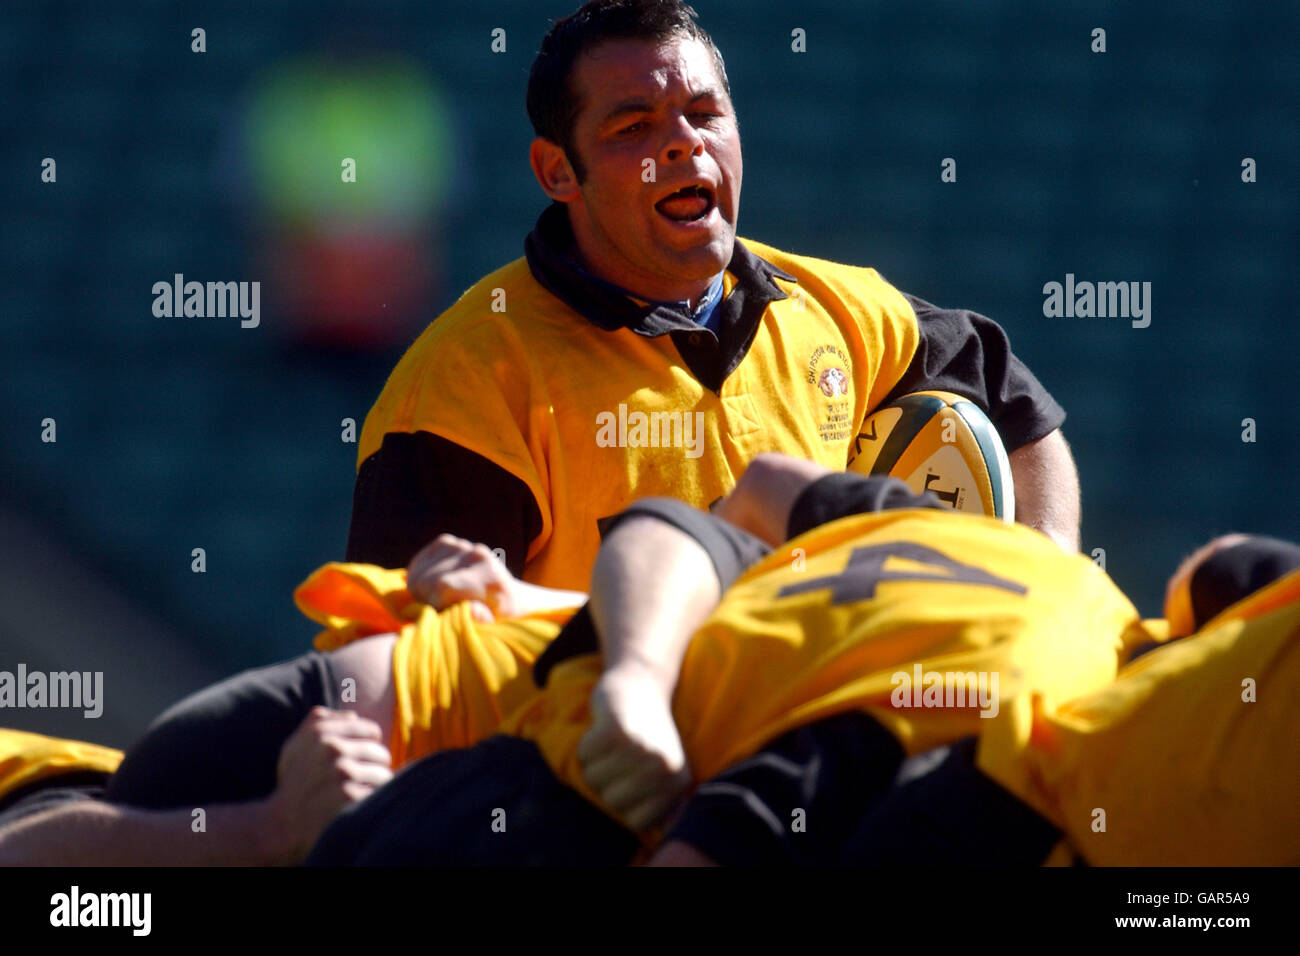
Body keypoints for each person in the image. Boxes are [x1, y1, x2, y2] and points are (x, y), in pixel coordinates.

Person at [0, 455, 1120, 866]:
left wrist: (550, 602)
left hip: (495, 731)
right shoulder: (1011, 713)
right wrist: (271, 833)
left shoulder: (1015, 570)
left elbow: (734, 510)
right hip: (410, 732)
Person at [344, 0, 1080, 596]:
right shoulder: (468, 382)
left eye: (705, 112)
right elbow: (420, 663)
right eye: (634, 126)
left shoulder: (842, 310)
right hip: (606, 770)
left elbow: (1018, 411)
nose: (683, 142)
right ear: (557, 171)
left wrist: (1048, 575)